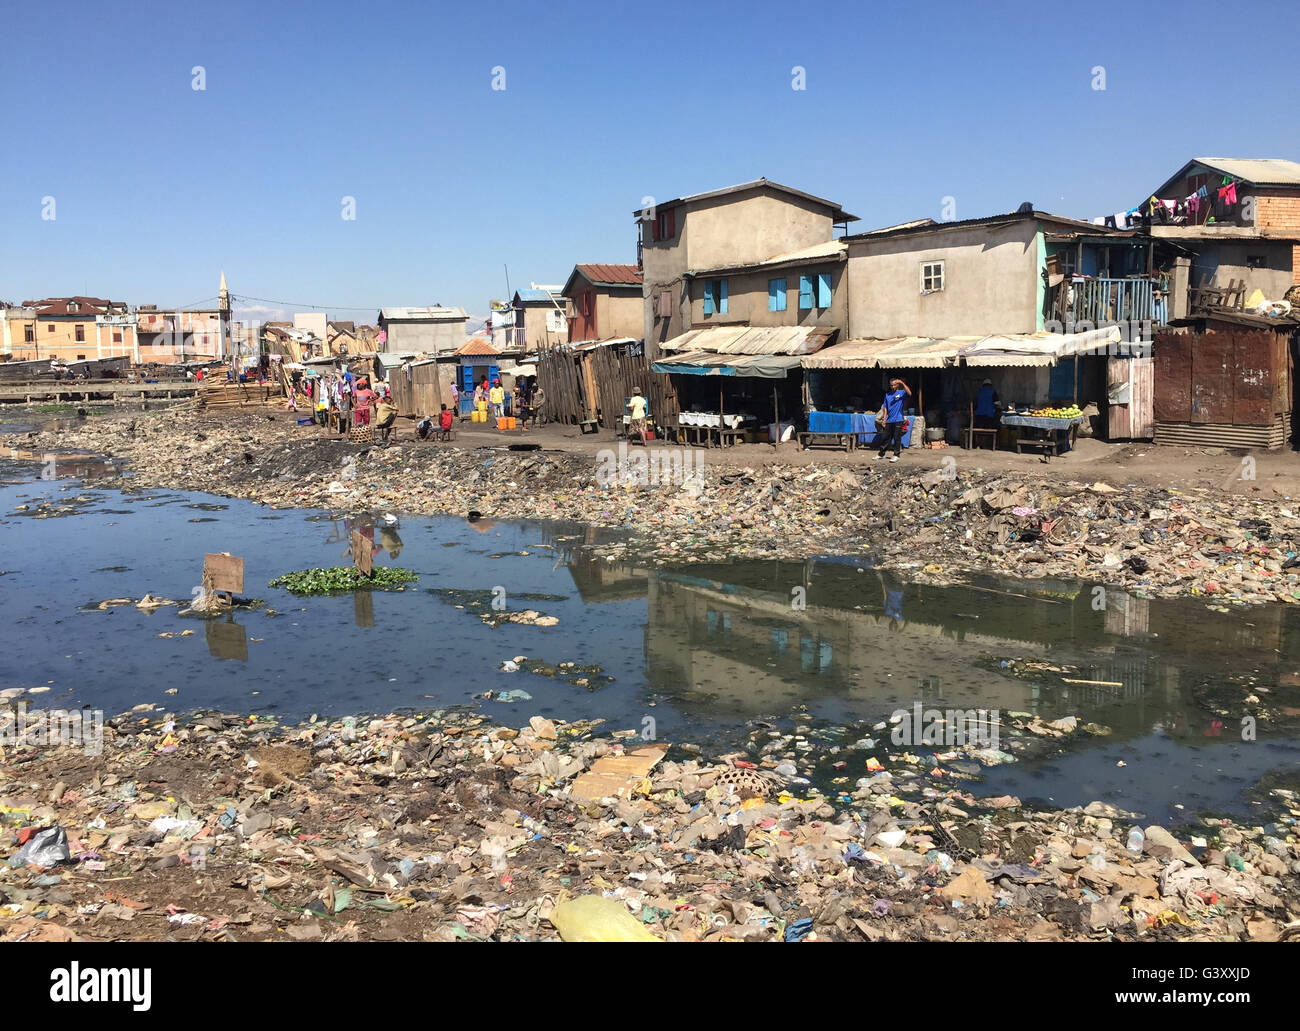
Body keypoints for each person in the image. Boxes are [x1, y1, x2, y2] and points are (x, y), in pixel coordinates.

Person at [875, 377, 911, 463]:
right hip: (889, 419)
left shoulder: (901, 393)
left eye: (895, 385)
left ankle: (896, 455)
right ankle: (881, 454)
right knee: (885, 437)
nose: (893, 387)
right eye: (891, 385)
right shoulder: (888, 395)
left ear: (897, 385)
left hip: (898, 418)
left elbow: (909, 393)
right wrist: (884, 418)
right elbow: (885, 407)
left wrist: (902, 383)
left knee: (897, 437)